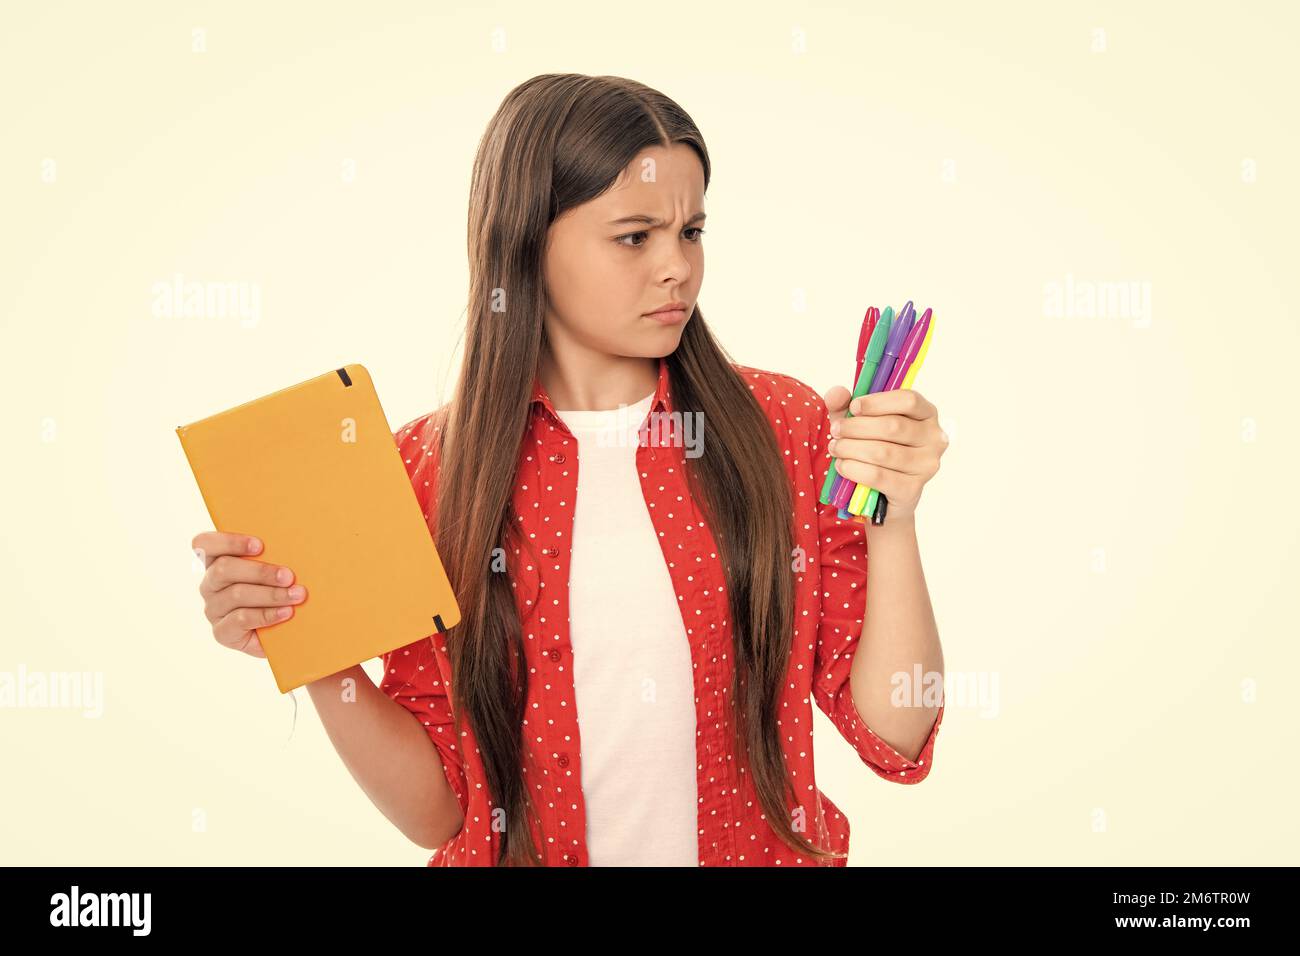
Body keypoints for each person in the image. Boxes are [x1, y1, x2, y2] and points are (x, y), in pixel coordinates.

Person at [190, 73, 948, 867]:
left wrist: (894, 517)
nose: (677, 269)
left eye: (691, 232)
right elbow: (440, 814)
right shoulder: (423, 473)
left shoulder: (783, 426)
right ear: (527, 243)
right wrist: (314, 645)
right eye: (635, 236)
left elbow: (896, 729)